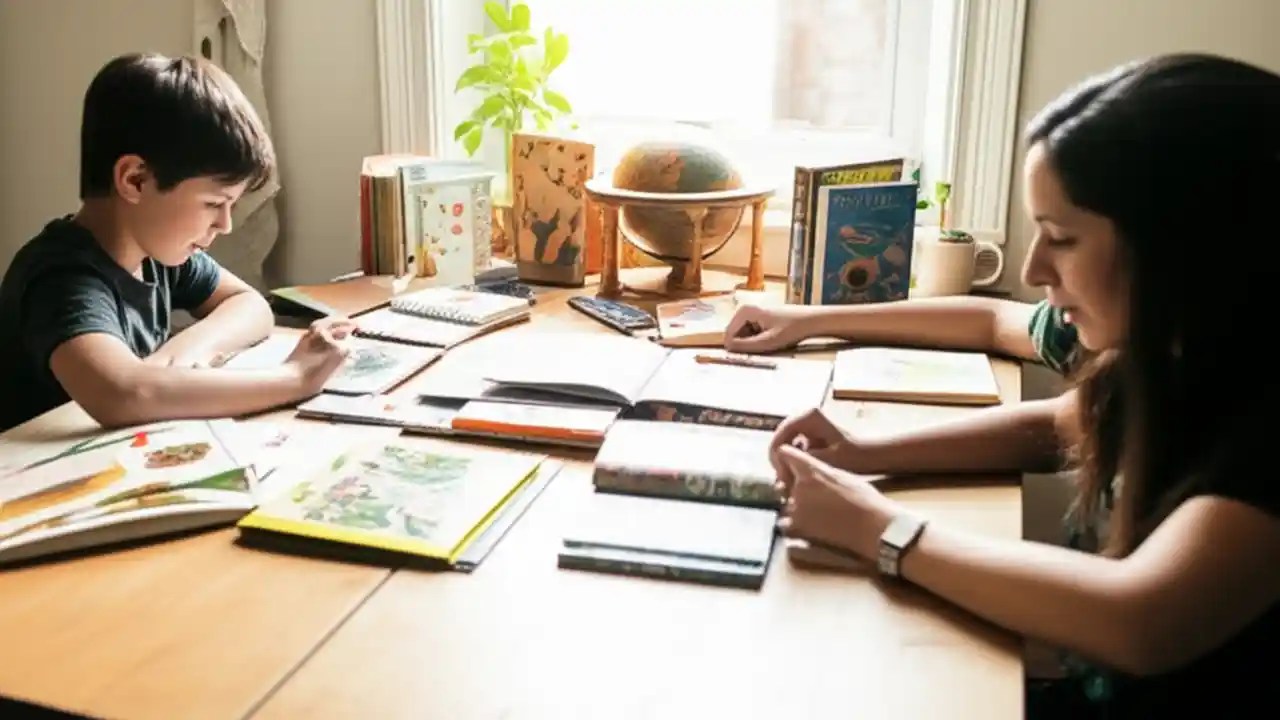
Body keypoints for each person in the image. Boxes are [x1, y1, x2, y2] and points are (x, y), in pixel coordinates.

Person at [764, 53, 1280, 717]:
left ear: (1181, 247)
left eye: (1060, 238)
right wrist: (866, 451)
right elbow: (1060, 425)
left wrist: (881, 529)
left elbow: (1139, 618)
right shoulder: (1174, 346)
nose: (1034, 267)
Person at [0, 53, 351, 432]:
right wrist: (295, 378)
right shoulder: (61, 277)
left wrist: (184, 352)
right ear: (135, 180)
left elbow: (250, 305)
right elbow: (123, 394)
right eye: (214, 203)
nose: (225, 224)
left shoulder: (159, 255)